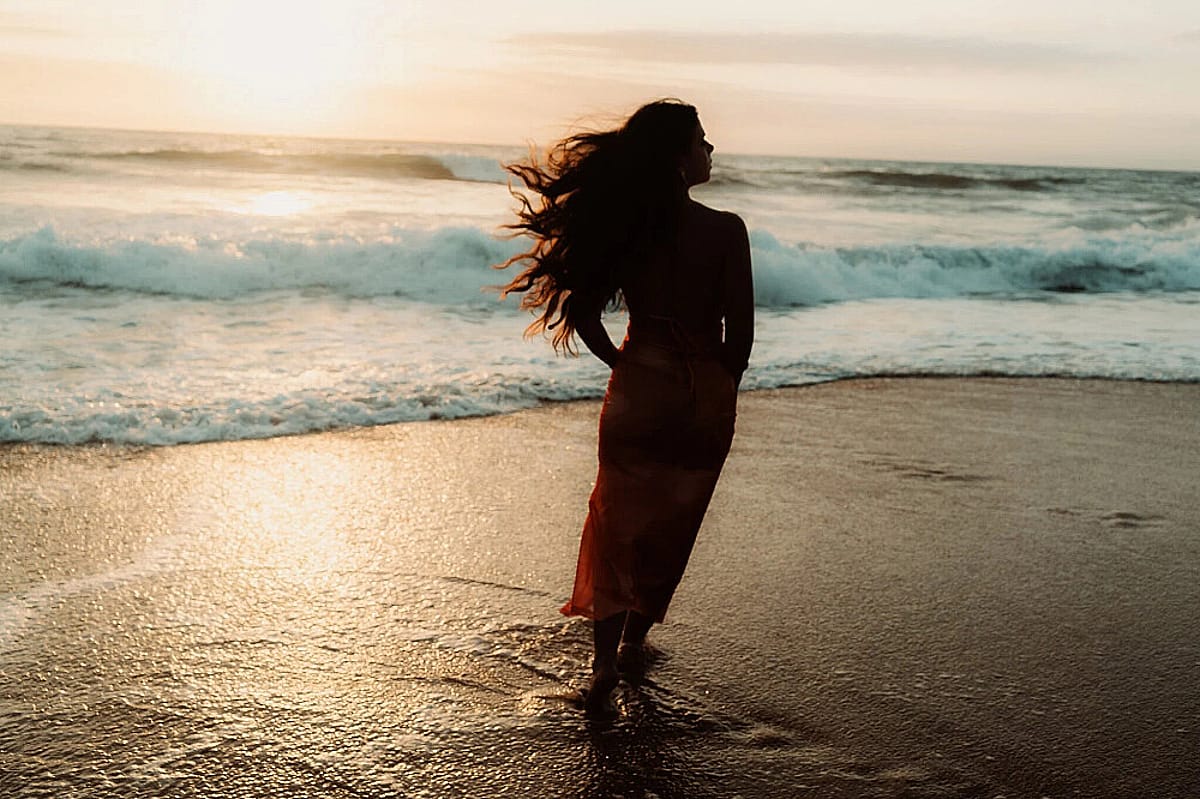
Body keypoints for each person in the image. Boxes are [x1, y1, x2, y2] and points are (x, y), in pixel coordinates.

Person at [498, 99, 754, 716]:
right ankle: (636, 639)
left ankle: (604, 663)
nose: (709, 149)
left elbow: (586, 315)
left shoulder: (626, 229)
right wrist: (716, 385)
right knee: (674, 521)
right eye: (701, 140)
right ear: (677, 157)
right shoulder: (726, 229)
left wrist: (624, 363)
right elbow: (740, 335)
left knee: (616, 523)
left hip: (639, 385)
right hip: (704, 392)